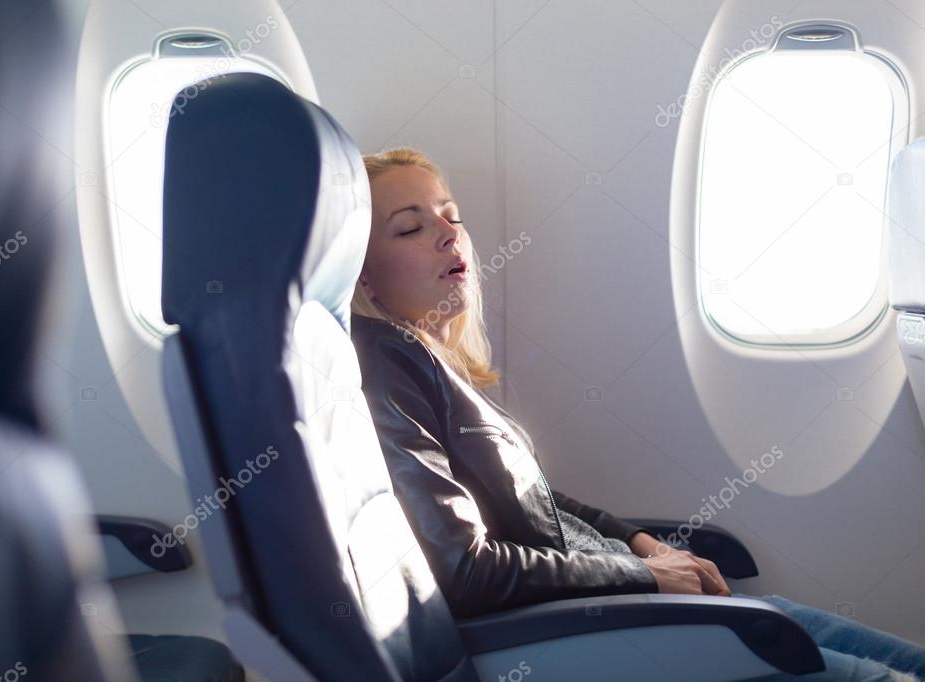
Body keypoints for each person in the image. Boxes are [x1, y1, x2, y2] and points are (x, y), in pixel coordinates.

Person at [349, 146, 925, 681]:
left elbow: (547, 506)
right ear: (361, 272)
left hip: (631, 593)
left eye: (451, 215)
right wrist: (646, 575)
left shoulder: (427, 357)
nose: (450, 235)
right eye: (410, 227)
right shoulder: (385, 364)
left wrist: (646, 543)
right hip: (599, 624)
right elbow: (466, 571)